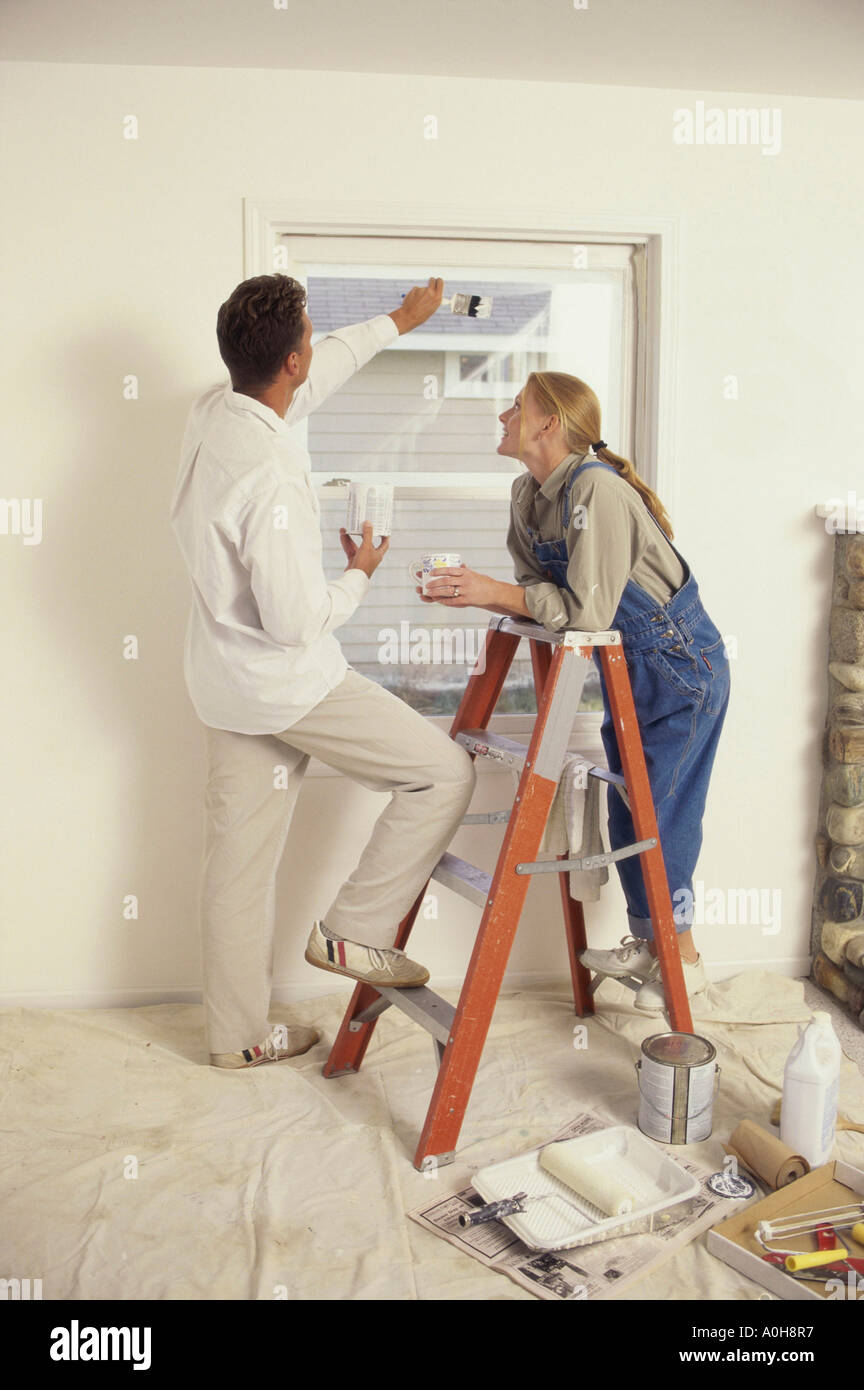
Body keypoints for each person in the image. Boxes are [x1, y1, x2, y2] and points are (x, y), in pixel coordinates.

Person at [170, 274, 476, 1069]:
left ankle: (238, 1041)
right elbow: (295, 621)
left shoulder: (214, 413)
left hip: (226, 686)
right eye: (310, 338)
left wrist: (399, 323)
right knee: (442, 774)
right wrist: (362, 576)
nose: (315, 348)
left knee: (235, 870)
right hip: (288, 683)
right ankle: (353, 934)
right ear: (291, 364)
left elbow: (322, 369)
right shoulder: (269, 477)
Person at [415, 371, 730, 1012]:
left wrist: (494, 592)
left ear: (548, 424)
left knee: (662, 812)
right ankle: (652, 942)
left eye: (518, 406)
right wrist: (481, 593)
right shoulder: (528, 493)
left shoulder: (597, 489)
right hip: (626, 669)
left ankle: (684, 959)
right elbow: (541, 594)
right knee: (626, 810)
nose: (504, 415)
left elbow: (585, 611)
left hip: (680, 666)